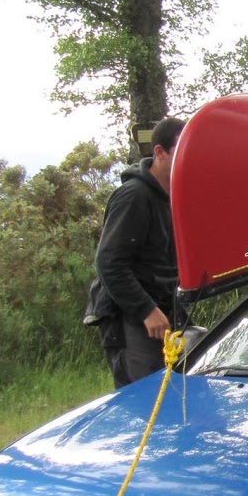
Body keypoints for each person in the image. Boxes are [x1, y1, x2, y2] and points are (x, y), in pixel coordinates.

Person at [86, 116, 185, 387]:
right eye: (180, 150)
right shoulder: (134, 196)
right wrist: (146, 311)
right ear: (159, 152)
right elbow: (109, 263)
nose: (186, 157)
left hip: (166, 311)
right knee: (144, 398)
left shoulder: (172, 197)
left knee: (173, 394)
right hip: (133, 318)